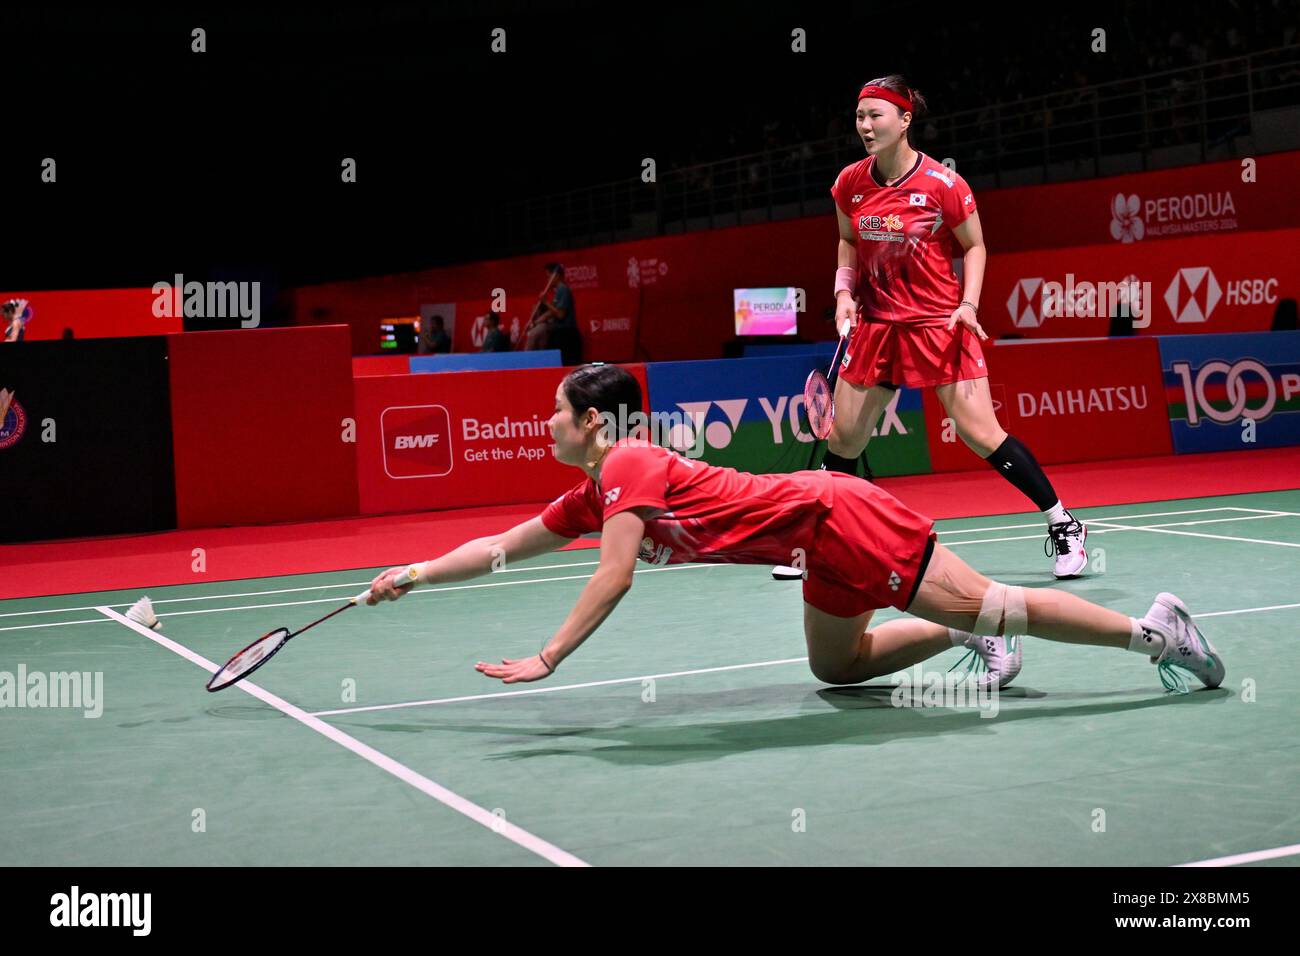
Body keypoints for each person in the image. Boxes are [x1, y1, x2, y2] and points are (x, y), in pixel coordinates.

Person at [367, 364, 1223, 694]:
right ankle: (975, 640)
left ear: (596, 423)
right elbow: (498, 548)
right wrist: (411, 574)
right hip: (815, 542)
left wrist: (549, 657)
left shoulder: (628, 463)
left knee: (996, 604)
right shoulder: (597, 493)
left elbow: (615, 576)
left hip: (837, 515)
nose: (544, 423)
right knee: (837, 667)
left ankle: (1158, 634)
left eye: (555, 412)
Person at [776, 76, 1088, 583]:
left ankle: (1063, 524)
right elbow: (847, 242)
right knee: (845, 440)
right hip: (878, 326)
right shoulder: (849, 183)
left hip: (938, 324)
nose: (865, 125)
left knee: (980, 433)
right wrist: (841, 295)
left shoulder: (944, 184)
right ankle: (816, 546)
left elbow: (976, 245)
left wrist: (969, 303)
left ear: (905, 120)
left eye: (876, 115)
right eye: (860, 116)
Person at [524, 263, 582, 363]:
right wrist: (534, 323)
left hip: (566, 335)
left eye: (549, 276)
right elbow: (551, 312)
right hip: (559, 334)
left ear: (557, 275)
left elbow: (560, 314)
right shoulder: (558, 291)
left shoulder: (563, 290)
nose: (547, 280)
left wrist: (545, 302)